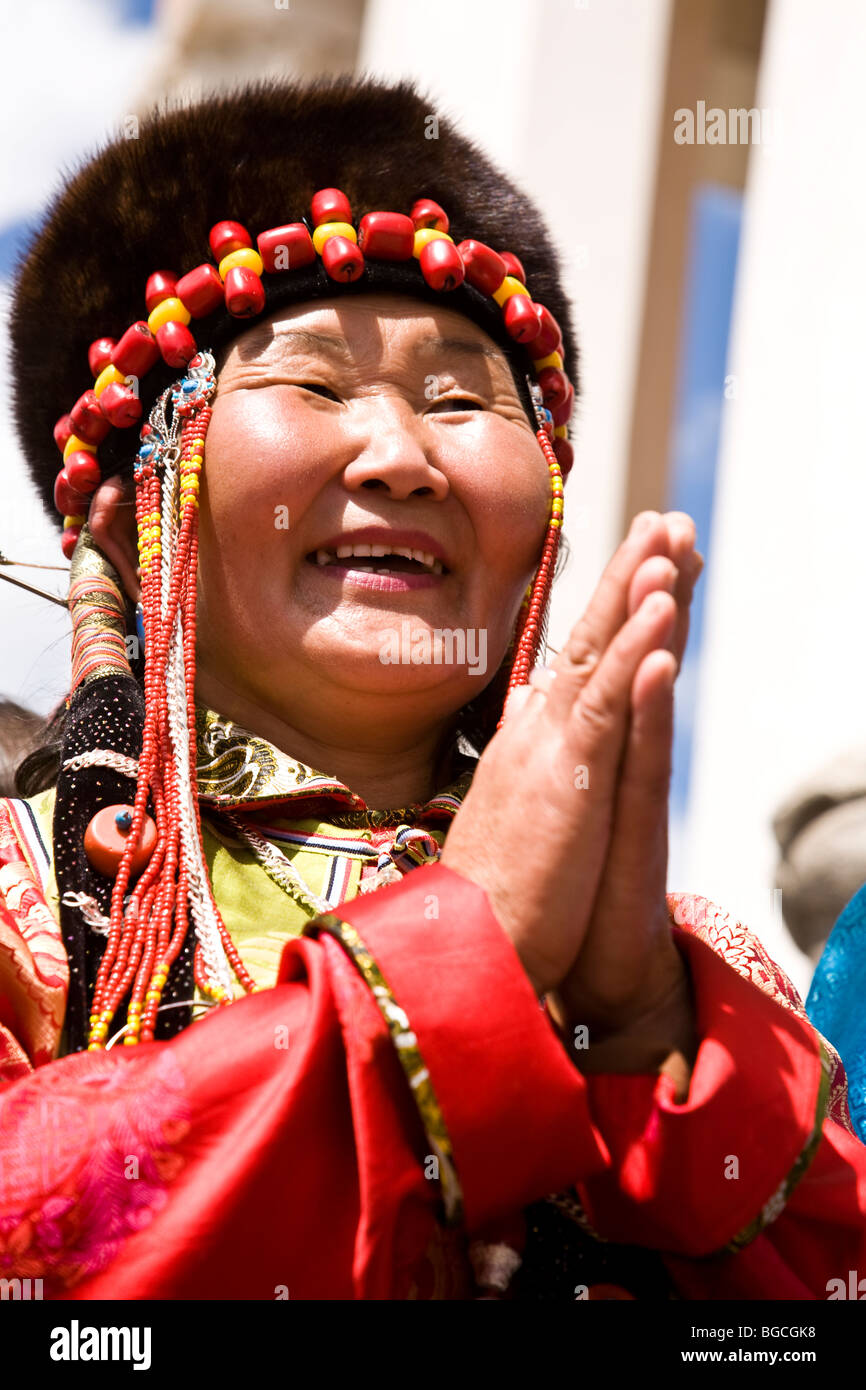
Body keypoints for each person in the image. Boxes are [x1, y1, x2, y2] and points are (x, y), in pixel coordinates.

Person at [1, 75, 864, 1302]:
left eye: (461, 401)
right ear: (147, 492)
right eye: (308, 384)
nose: (402, 457)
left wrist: (645, 1044)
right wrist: (464, 960)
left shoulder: (695, 972)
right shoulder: (24, 906)